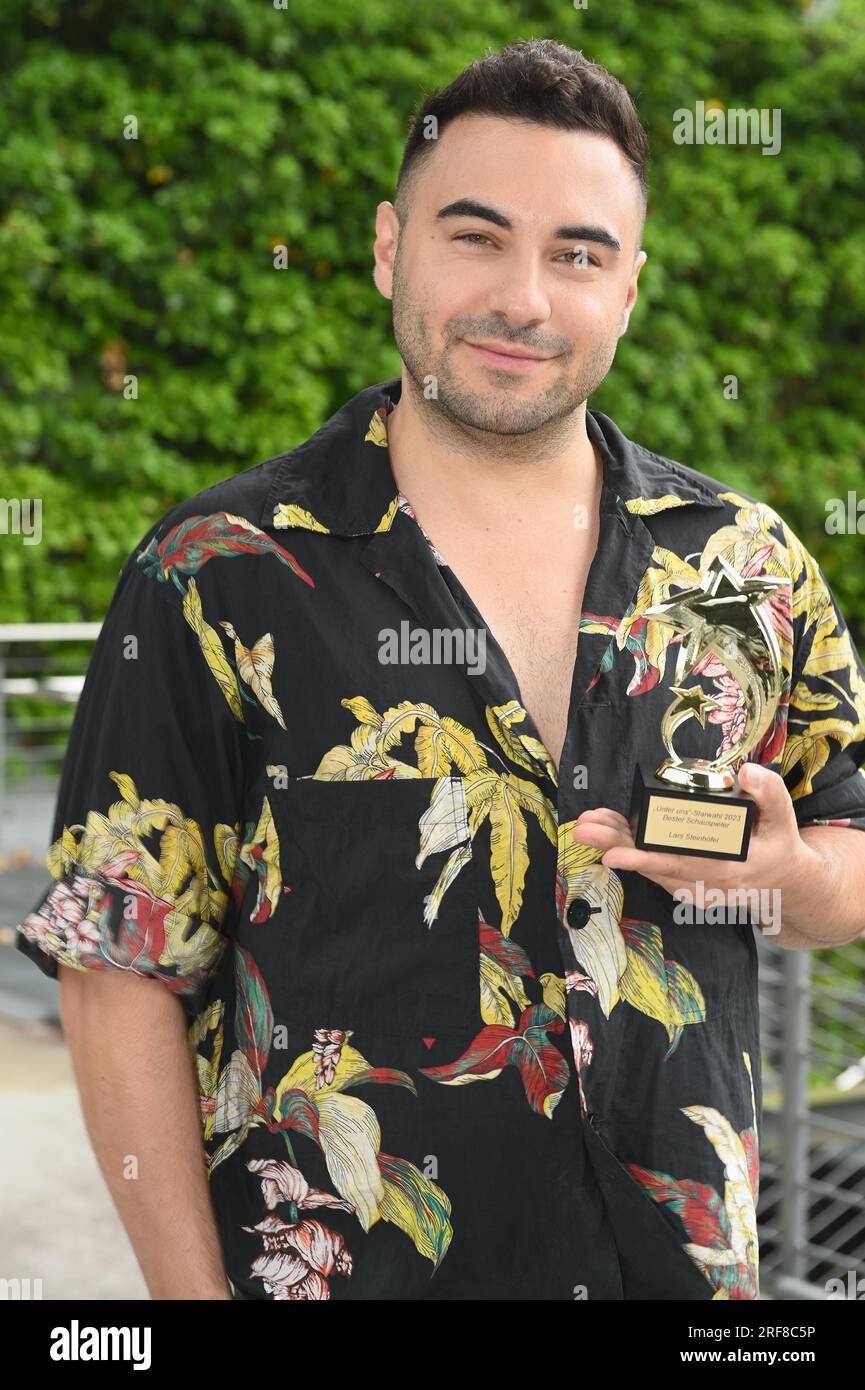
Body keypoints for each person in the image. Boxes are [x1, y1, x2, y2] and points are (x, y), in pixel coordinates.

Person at [15, 38, 865, 1302]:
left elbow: (847, 866)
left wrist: (786, 870)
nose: (524, 296)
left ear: (629, 290)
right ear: (388, 249)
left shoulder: (746, 563)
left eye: (577, 253)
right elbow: (119, 970)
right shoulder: (215, 573)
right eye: (476, 236)